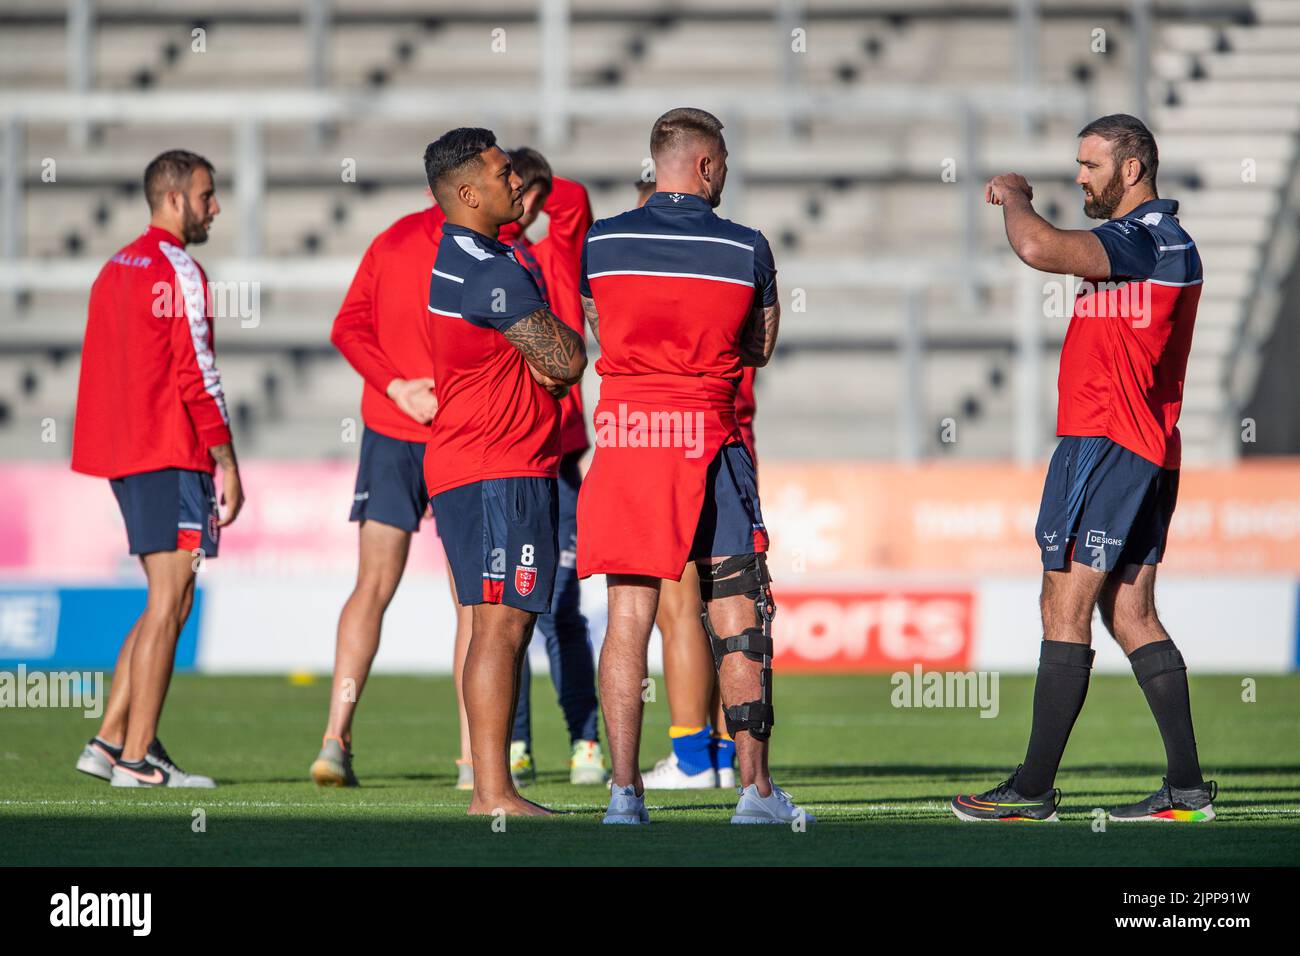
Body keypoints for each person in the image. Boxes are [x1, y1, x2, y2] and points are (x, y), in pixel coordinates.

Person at [951, 114, 1216, 823]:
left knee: (1060, 607)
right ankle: (1187, 789)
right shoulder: (1163, 243)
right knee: (1130, 612)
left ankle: (1033, 789)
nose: (1080, 177)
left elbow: (1037, 246)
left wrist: (1012, 193)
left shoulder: (1141, 239)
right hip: (1144, 445)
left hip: (1107, 443)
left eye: (1091, 165)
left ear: (1132, 169)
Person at [578, 108, 811, 825]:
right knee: (739, 613)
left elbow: (596, 324)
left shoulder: (600, 241)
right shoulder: (746, 247)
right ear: (707, 166)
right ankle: (755, 793)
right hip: (708, 436)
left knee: (627, 617)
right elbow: (760, 347)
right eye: (726, 163)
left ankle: (624, 795)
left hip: (626, 436)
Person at [424, 127, 586, 816]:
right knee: (503, 625)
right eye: (500, 174)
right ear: (466, 193)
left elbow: (545, 360)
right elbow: (570, 359)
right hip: (500, 466)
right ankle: (493, 793)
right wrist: (550, 357)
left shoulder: (472, 256)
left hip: (485, 464)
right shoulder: (488, 268)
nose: (515, 181)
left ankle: (493, 788)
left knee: (500, 622)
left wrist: (543, 359)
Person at [72, 149, 242, 789]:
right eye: (207, 195)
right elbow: (197, 370)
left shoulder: (114, 268)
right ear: (174, 199)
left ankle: (109, 739)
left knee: (162, 602)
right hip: (170, 450)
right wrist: (226, 456)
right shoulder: (178, 268)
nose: (214, 207)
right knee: (172, 602)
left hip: (126, 453)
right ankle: (138, 760)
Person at [309, 190, 470, 786]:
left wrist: (396, 386)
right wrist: (412, 388)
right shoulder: (496, 247)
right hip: (464, 438)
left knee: (371, 587)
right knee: (473, 603)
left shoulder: (390, 240)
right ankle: (472, 760)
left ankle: (334, 740)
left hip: (389, 431)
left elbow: (347, 327)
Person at [629, 177, 752, 790]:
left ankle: (694, 759)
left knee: (678, 610)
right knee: (732, 612)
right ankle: (730, 762)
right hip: (729, 448)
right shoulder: (729, 269)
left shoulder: (654, 293)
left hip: (669, 448)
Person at [494, 147, 606, 787]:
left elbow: (573, 199)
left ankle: (585, 741)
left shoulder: (557, 252)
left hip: (557, 456)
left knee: (562, 604)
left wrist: (524, 176)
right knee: (510, 608)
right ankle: (513, 745)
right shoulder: (487, 261)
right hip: (503, 454)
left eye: (518, 185)